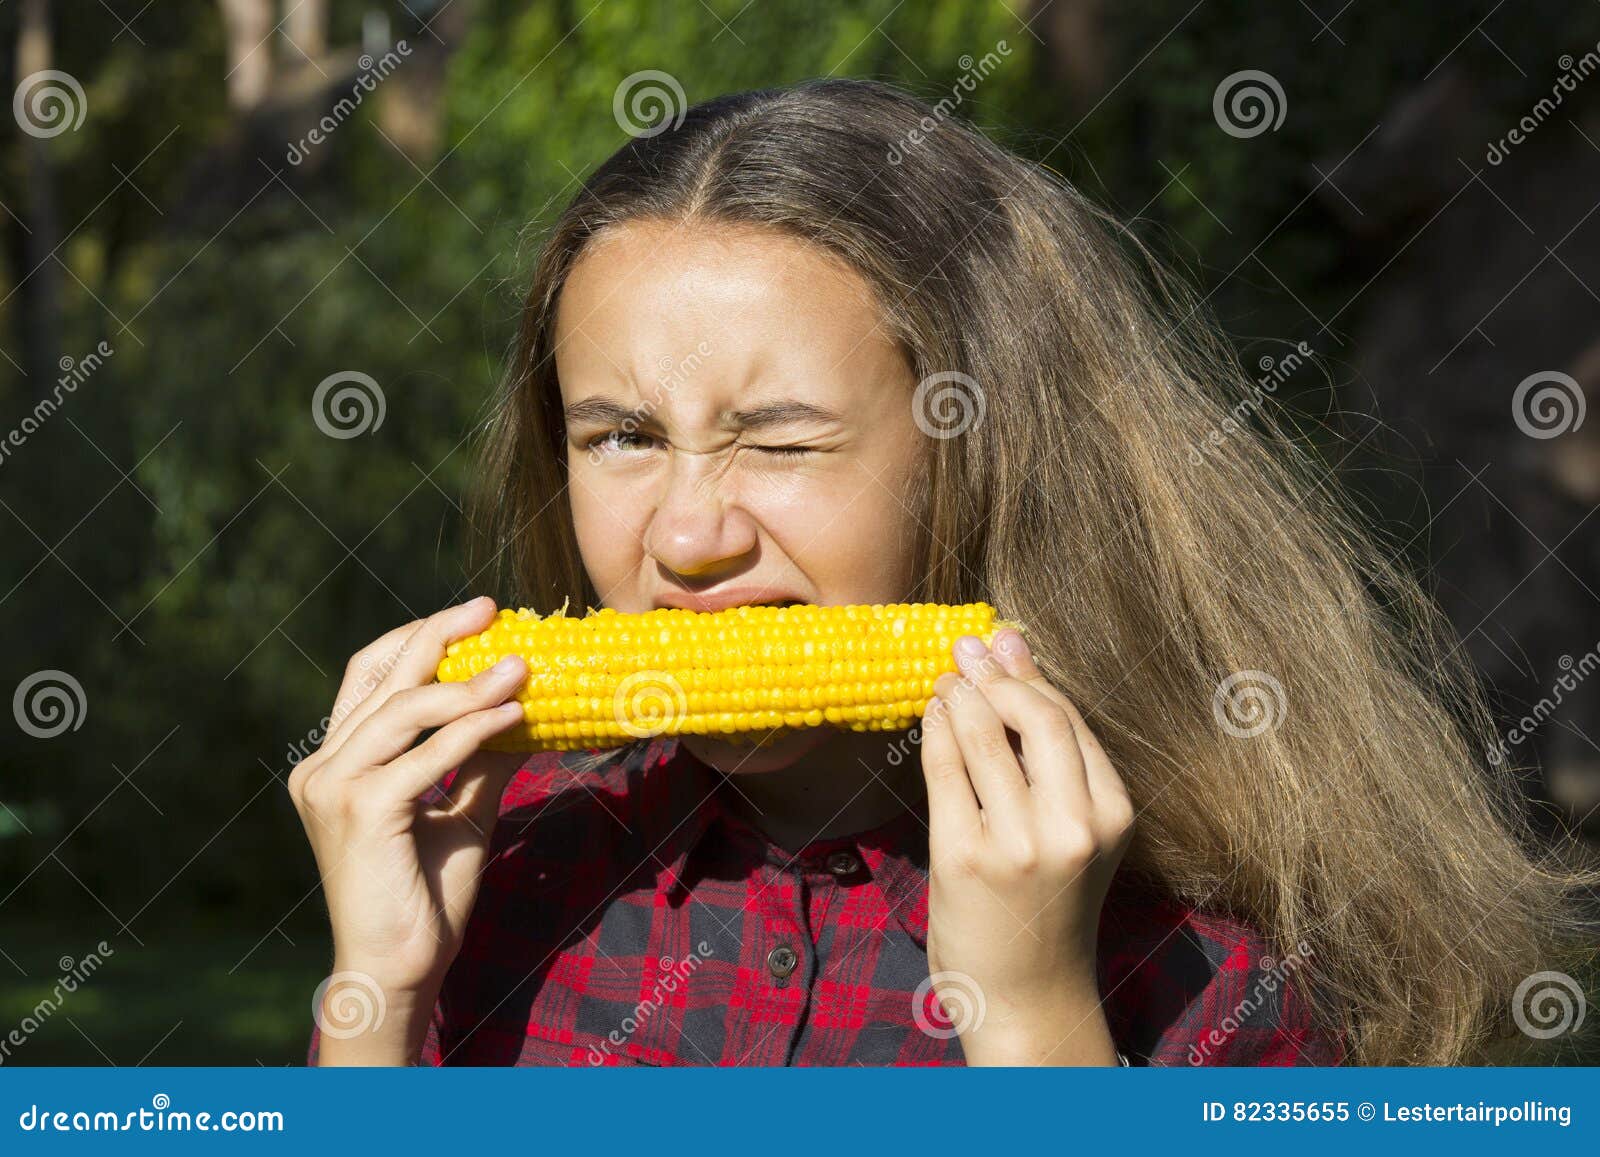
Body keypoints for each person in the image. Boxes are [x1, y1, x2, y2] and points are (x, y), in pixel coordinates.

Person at [289, 78, 1596, 1066]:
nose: (687, 538)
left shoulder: (1201, 956)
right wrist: (378, 994)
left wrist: (1030, 1015)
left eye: (782, 438)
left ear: (981, 451)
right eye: (623, 436)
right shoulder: (506, 881)